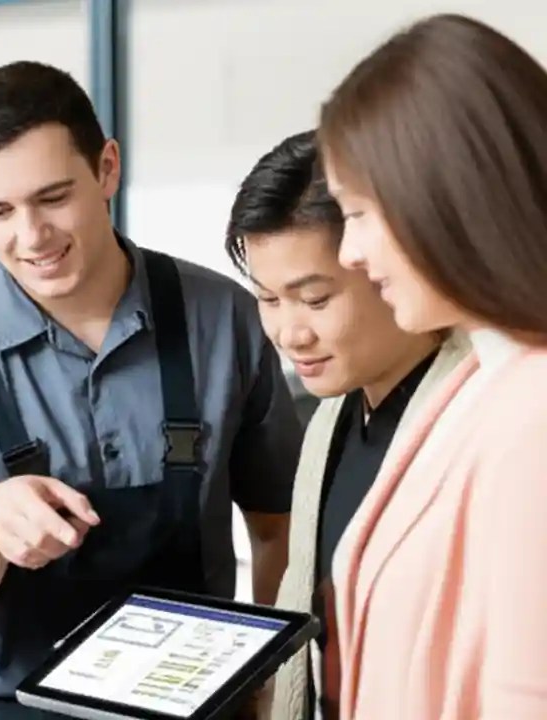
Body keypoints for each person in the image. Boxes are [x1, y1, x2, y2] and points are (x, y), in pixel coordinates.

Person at [0, 60, 303, 719]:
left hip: (195, 708)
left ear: (106, 168)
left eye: (52, 198)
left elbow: (280, 529)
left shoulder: (221, 318)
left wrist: (269, 689)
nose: (31, 236)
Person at [314, 13, 547, 719]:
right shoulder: (483, 379)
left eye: (357, 213)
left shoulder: (533, 413)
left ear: (443, 195)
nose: (349, 253)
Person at [222, 129, 469, 720]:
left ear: (384, 262)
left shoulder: (481, 415)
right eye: (269, 299)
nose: (290, 333)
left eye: (314, 299)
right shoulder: (328, 420)